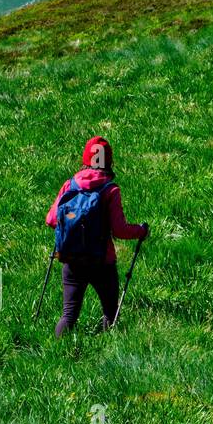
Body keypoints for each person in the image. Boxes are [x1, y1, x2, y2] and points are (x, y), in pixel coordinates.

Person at [44, 136, 148, 336]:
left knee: (69, 315)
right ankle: (106, 351)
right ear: (108, 161)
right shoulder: (110, 190)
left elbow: (51, 220)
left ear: (86, 158)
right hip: (102, 263)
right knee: (110, 313)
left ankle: (57, 354)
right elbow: (120, 230)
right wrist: (141, 231)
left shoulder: (69, 185)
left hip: (72, 260)